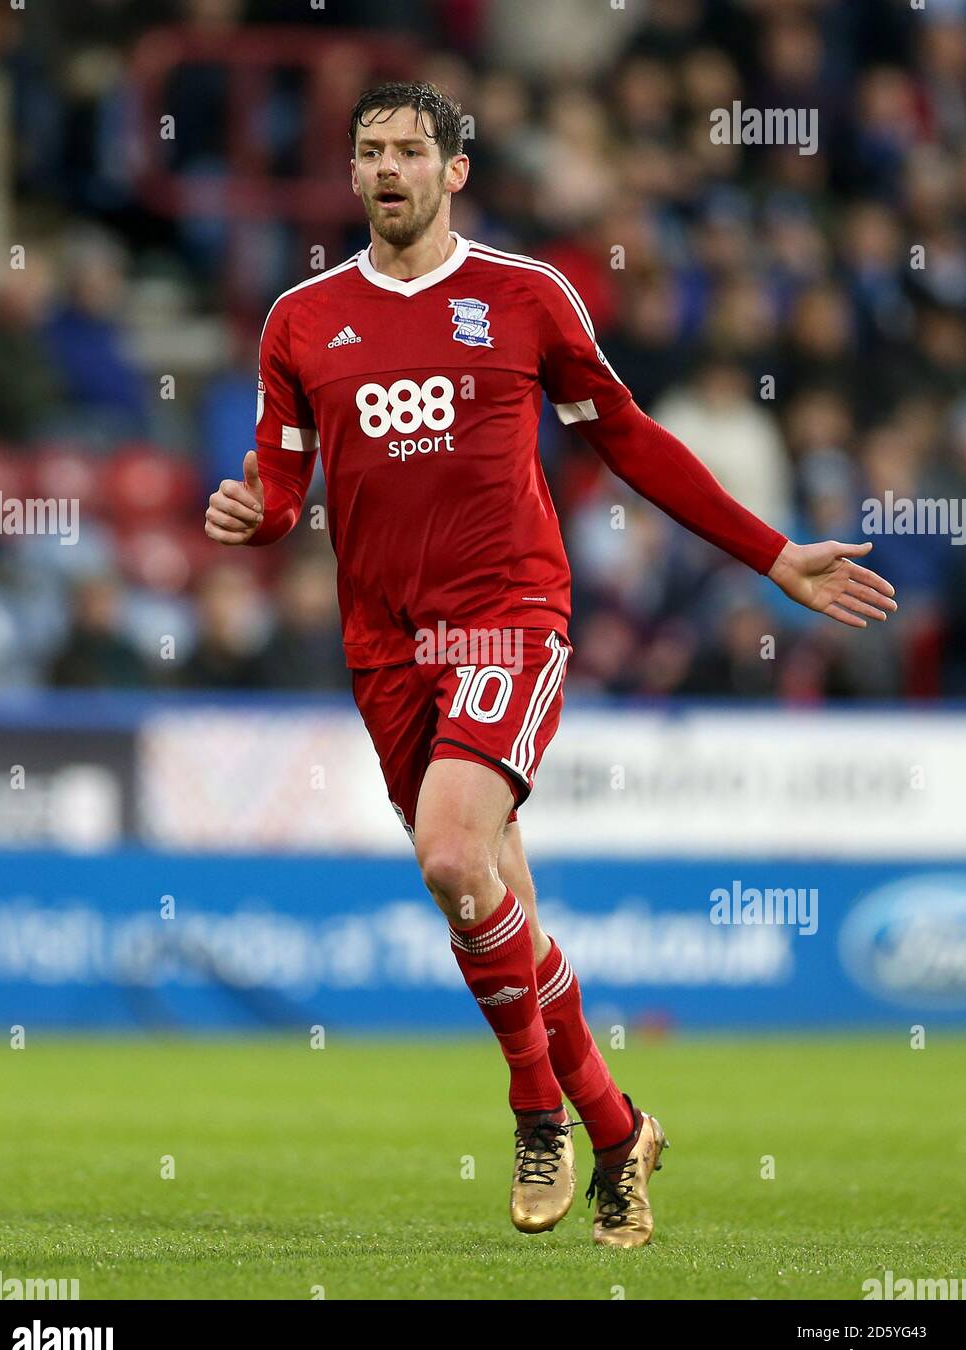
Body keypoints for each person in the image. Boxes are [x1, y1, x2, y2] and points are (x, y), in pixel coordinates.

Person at [204, 81, 897, 1248]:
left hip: (508, 615)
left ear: (454, 171)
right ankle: (616, 1127)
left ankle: (537, 1113)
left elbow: (624, 436)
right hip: (384, 641)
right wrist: (256, 516)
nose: (387, 168)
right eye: (369, 149)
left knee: (448, 853)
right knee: (492, 899)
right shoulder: (300, 320)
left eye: (410, 150)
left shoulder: (524, 297)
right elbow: (283, 486)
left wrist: (771, 554)